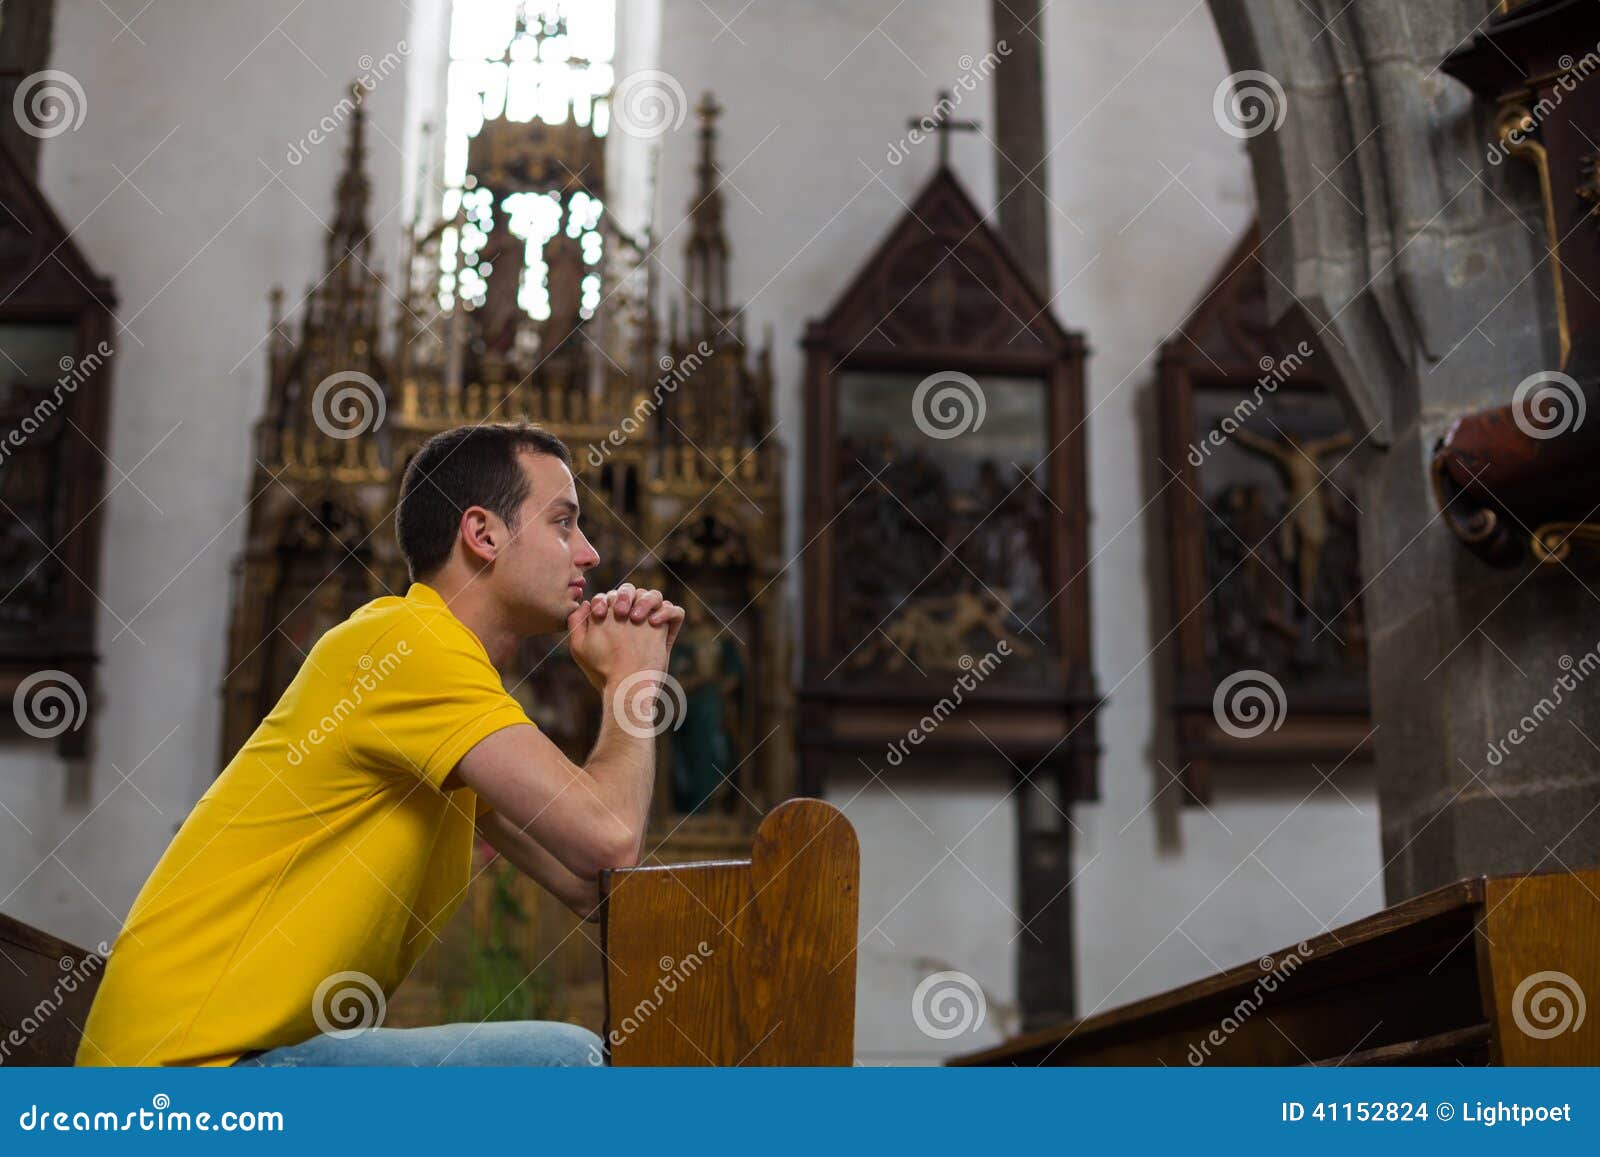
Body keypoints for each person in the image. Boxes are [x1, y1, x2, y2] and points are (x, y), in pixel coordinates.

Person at [76, 422, 683, 1067]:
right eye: (564, 523)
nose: (589, 553)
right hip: (182, 1079)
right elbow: (610, 838)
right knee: (562, 1064)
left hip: (219, 1066)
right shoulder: (409, 647)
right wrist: (632, 684)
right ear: (482, 534)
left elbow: (595, 888)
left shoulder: (437, 677)